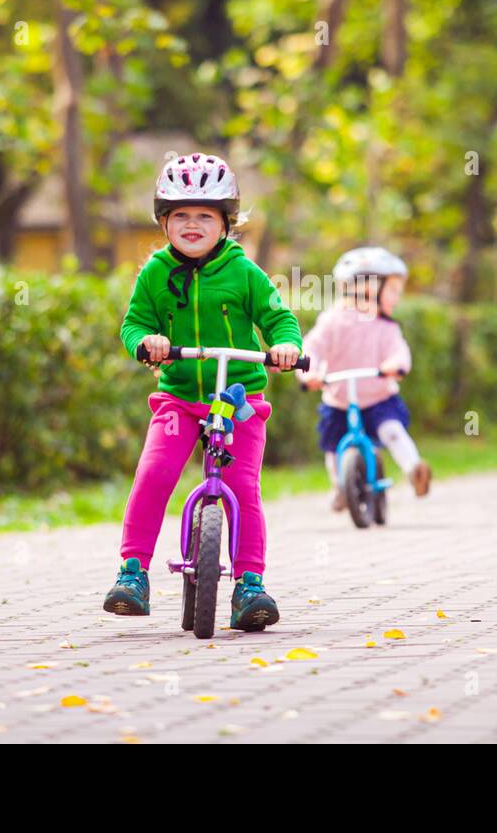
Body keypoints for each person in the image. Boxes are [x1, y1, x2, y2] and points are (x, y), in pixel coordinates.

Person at [103, 153, 302, 630]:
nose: (192, 225)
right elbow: (135, 324)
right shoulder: (154, 273)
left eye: (204, 216)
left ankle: (250, 584)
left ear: (225, 223)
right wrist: (146, 344)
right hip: (178, 397)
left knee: (242, 488)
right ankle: (133, 573)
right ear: (164, 222)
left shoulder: (244, 272)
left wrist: (285, 346)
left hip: (237, 399)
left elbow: (280, 319)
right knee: (153, 473)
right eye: (181, 216)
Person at [302, 246, 432, 510]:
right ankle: (341, 486)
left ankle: (414, 469)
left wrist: (395, 365)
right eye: (394, 291)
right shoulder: (331, 321)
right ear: (369, 288)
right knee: (333, 447)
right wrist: (309, 372)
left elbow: (399, 351)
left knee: (391, 430)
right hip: (339, 399)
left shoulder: (386, 327)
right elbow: (311, 348)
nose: (397, 298)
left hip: (378, 397)